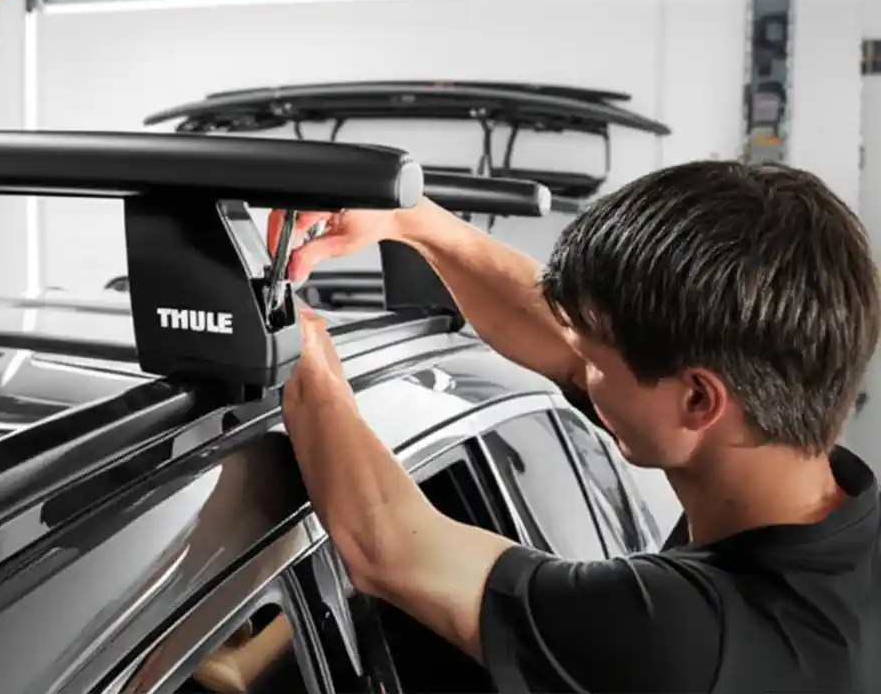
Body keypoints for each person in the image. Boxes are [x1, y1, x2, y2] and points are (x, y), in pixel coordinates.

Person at [271, 160, 880, 693]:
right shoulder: (840, 535)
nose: (580, 372)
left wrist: (288, 337)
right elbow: (565, 337)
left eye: (594, 366)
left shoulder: (689, 637)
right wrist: (409, 221)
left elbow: (388, 547)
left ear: (698, 400)